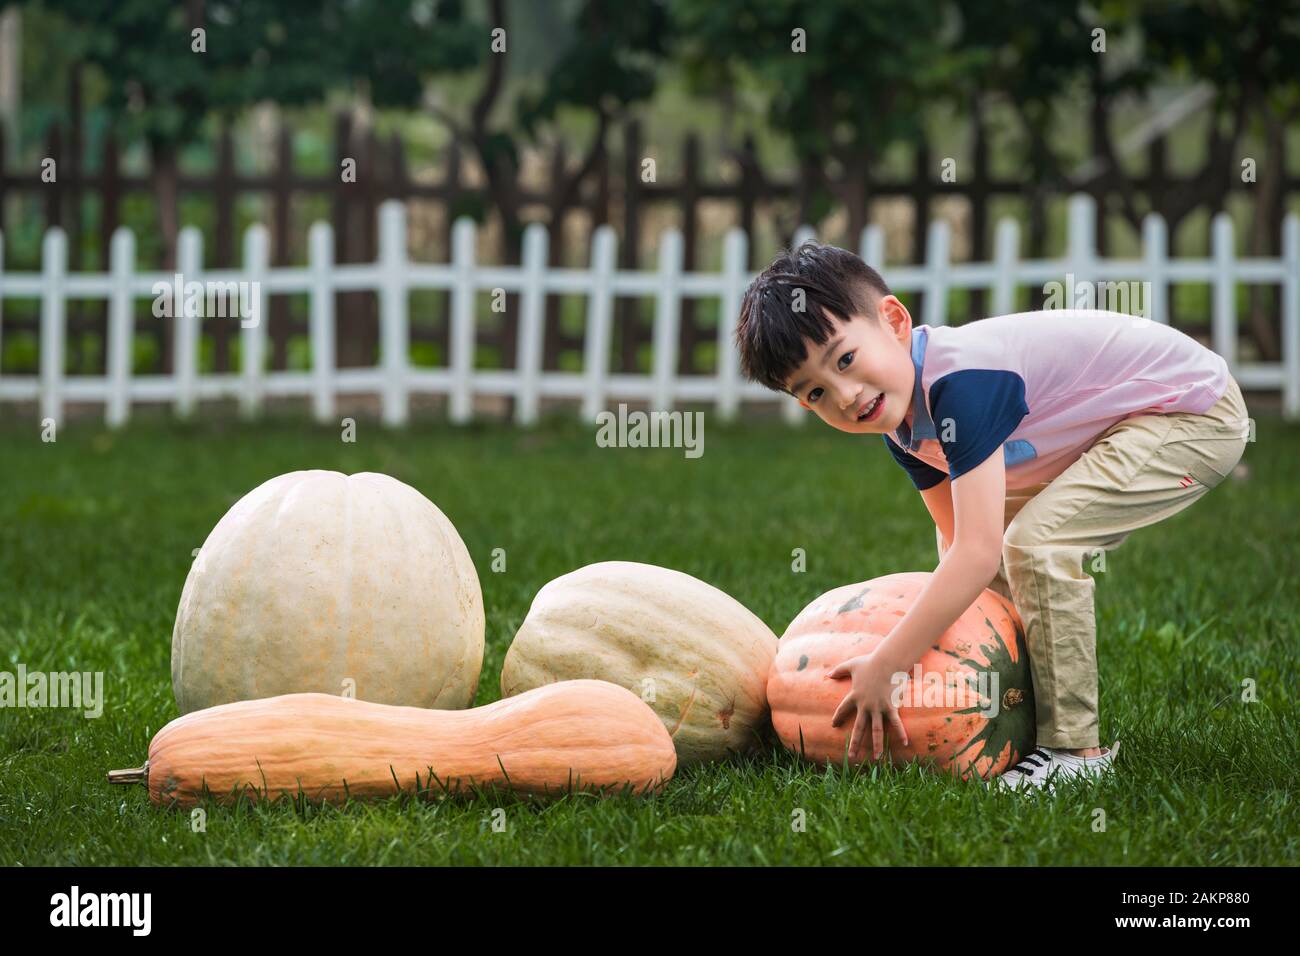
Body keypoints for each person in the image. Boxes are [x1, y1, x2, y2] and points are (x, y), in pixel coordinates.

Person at [734, 241, 1249, 792]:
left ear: (893, 320)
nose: (845, 395)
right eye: (815, 392)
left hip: (1192, 411)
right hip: (1122, 421)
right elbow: (962, 546)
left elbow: (979, 554)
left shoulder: (963, 385)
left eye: (844, 360)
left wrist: (890, 661)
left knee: (1036, 543)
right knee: (984, 547)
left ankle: (1076, 751)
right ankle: (1016, 716)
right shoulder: (905, 431)